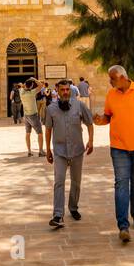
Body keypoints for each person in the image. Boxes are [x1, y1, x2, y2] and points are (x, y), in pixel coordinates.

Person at [93, 65, 134, 243]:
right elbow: (108, 116)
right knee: (121, 183)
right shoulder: (111, 94)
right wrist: (100, 120)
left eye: (112, 78)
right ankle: (123, 225)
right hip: (118, 146)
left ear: (122, 77)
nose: (110, 82)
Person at [42, 79, 94, 228]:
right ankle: (58, 215)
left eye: (67, 89)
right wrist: (48, 149)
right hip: (59, 151)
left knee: (76, 182)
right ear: (57, 91)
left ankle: (73, 207)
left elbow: (89, 122)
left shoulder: (79, 105)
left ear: (70, 90)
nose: (65, 92)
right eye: (62, 89)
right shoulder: (51, 109)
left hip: (77, 150)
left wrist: (91, 140)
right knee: (59, 181)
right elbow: (48, 130)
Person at [20, 78, 44, 156]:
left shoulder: (21, 92)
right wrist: (34, 79)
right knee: (40, 133)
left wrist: (25, 84)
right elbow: (41, 85)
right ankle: (40, 151)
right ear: (32, 85)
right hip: (33, 115)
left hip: (26, 115)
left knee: (27, 133)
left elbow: (22, 86)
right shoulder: (32, 93)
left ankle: (29, 151)